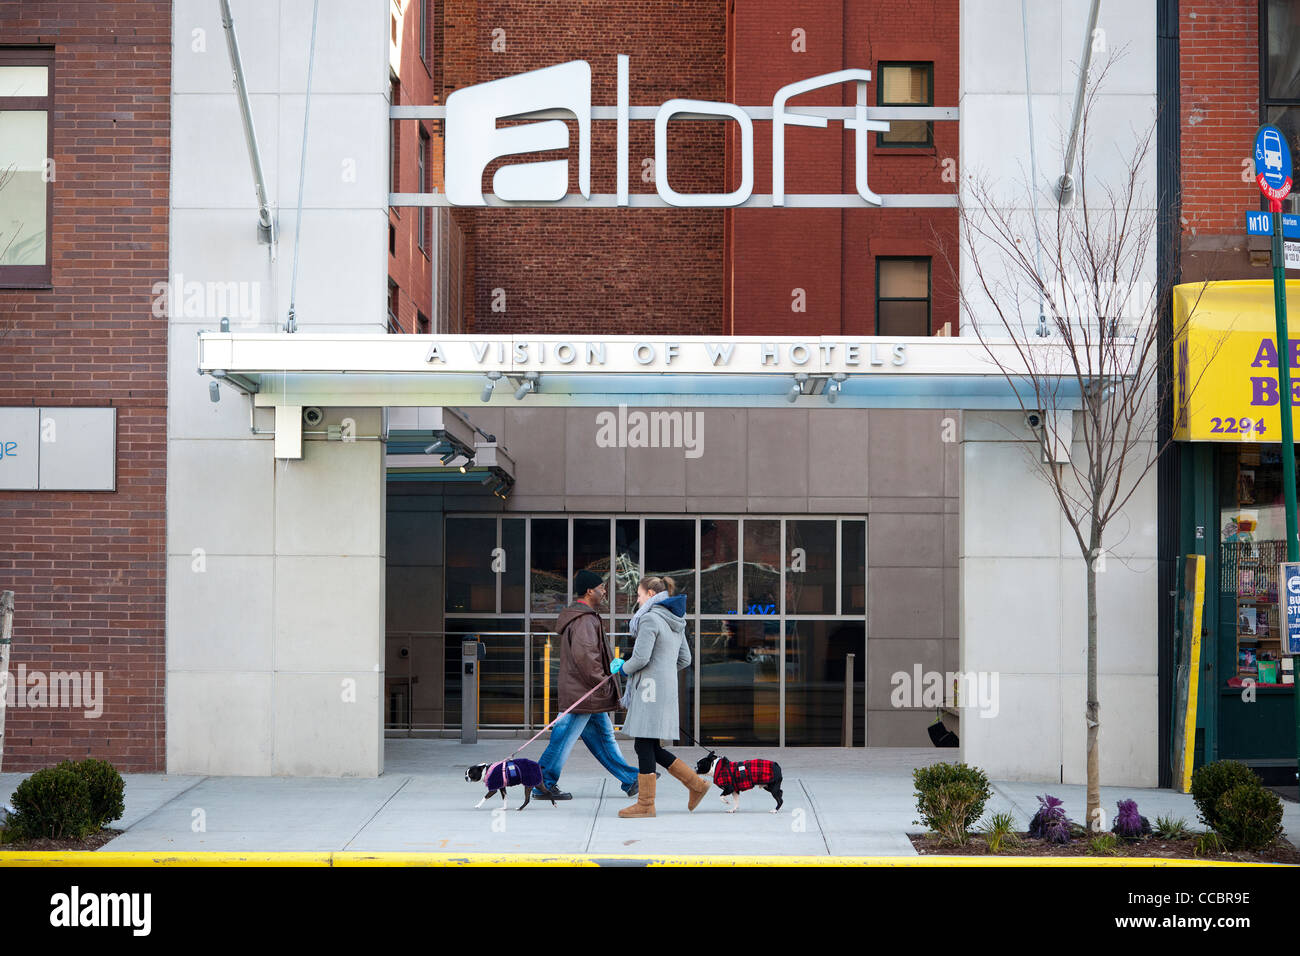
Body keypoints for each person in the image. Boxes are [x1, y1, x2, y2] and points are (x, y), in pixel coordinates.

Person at [533, 569, 641, 800]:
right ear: (590, 590)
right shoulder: (584, 619)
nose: (604, 592)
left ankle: (631, 779)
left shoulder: (582, 616)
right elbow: (587, 657)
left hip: (584, 692)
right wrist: (603, 682)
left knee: (604, 738)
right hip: (584, 693)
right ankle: (542, 783)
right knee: (563, 738)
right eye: (602, 588)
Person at [611, 575, 712, 818]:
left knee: (643, 743)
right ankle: (696, 785)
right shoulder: (676, 620)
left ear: (650, 594)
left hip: (648, 690)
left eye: (638, 594)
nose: (637, 599)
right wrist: (663, 671)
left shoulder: (649, 619)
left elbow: (641, 659)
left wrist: (622, 668)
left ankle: (646, 804)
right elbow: (685, 659)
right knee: (650, 745)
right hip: (665, 689)